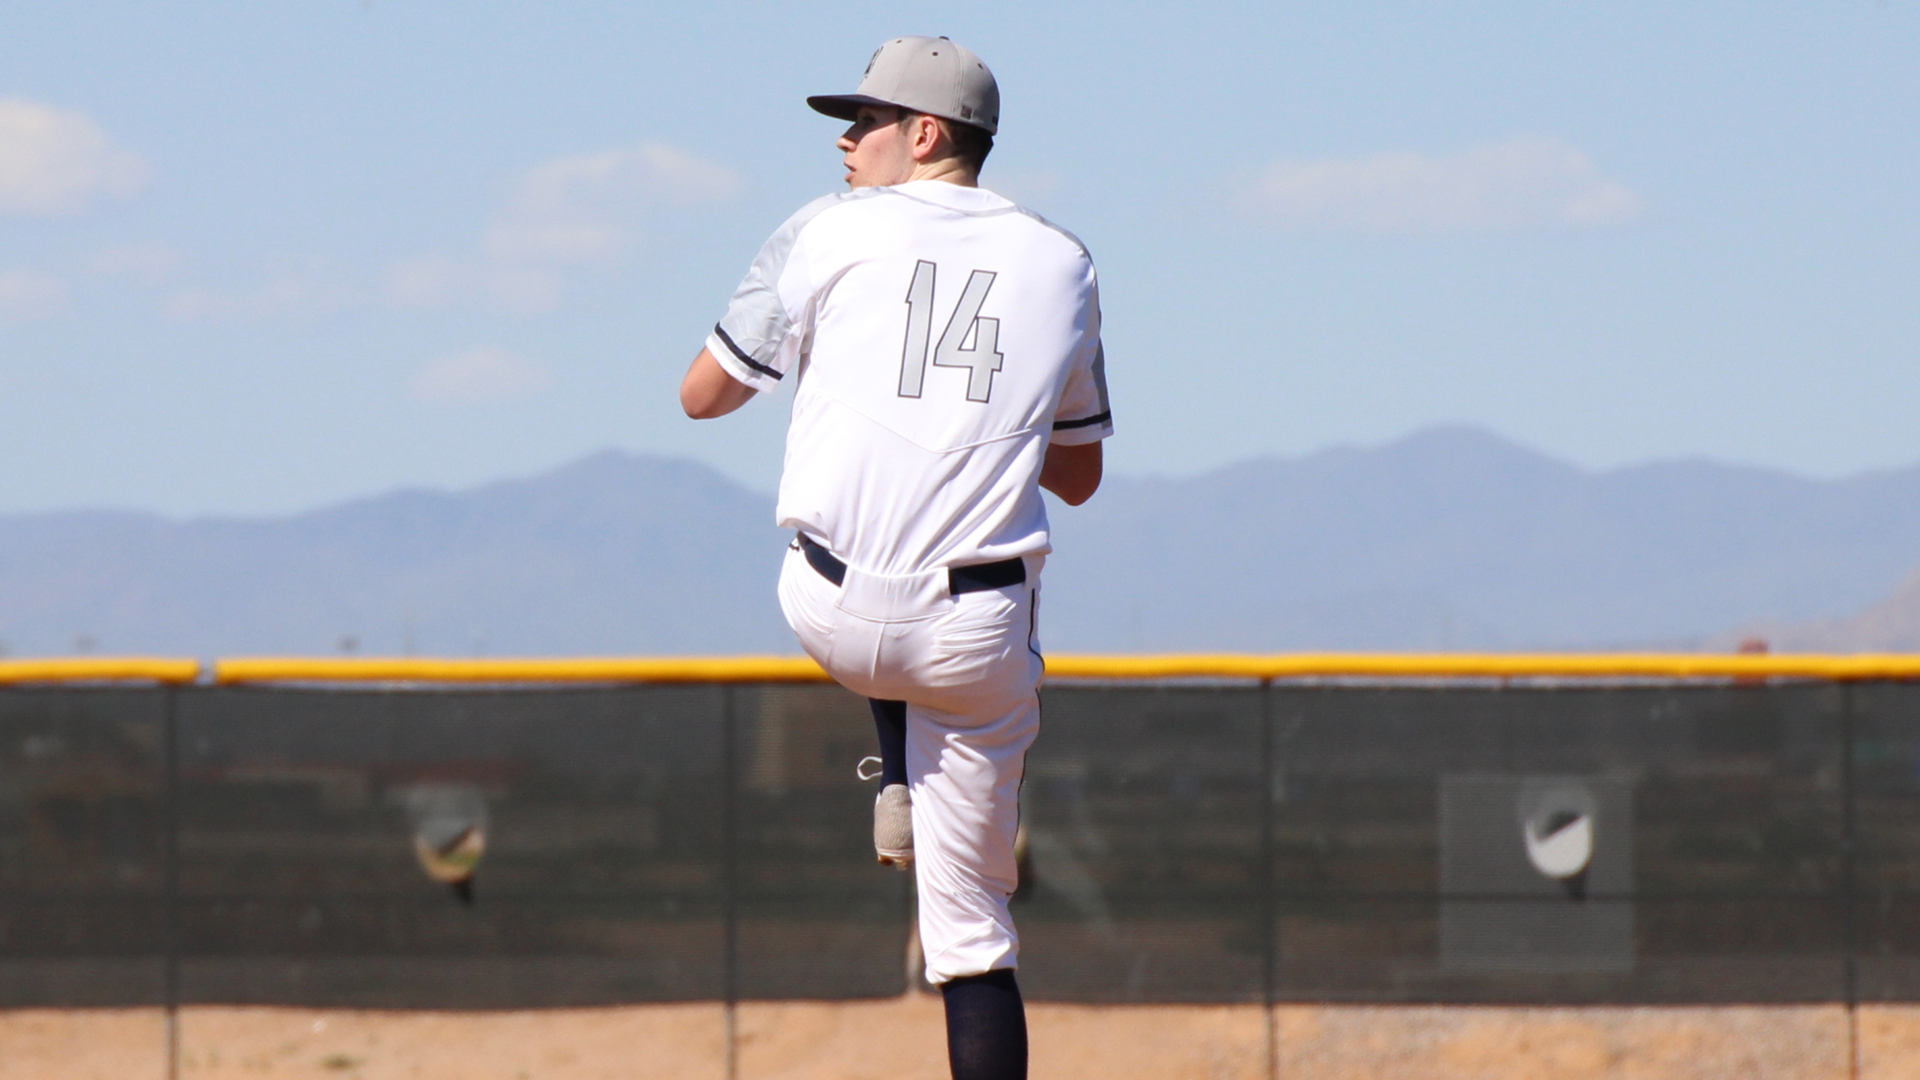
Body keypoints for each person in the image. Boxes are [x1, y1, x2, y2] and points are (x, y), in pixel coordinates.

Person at [679, 36, 1110, 1080]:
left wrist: (834, 346)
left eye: (866, 120)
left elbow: (702, 393)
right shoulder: (1064, 260)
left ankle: (896, 762)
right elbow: (1081, 478)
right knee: (973, 945)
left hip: (826, 606)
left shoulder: (825, 233)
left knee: (875, 554)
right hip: (971, 640)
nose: (846, 136)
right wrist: (987, 424)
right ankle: (917, 775)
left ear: (923, 135)